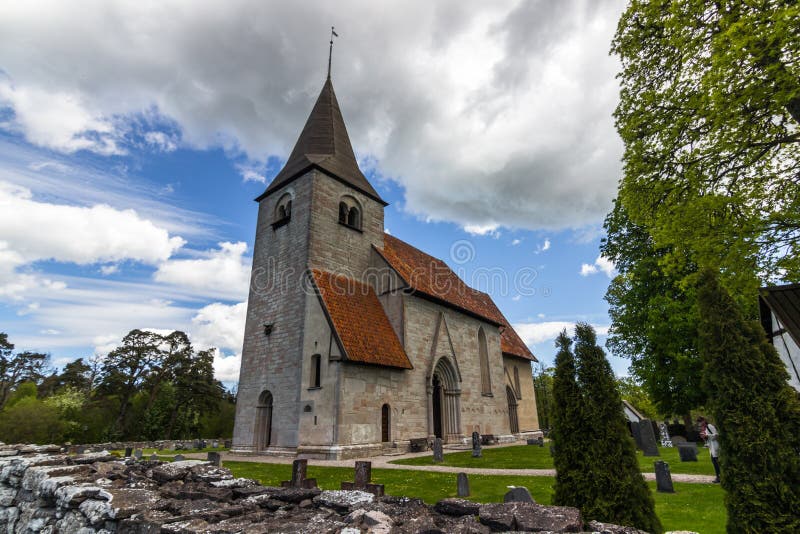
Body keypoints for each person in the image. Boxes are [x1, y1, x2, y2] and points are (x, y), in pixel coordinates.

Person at [697, 416, 720, 483]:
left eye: (701, 421)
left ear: (704, 420)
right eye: (699, 422)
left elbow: (716, 435)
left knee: (717, 463)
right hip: (711, 447)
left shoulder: (709, 426)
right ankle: (718, 477)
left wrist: (707, 436)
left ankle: (719, 477)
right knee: (715, 462)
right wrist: (704, 437)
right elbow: (708, 439)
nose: (700, 424)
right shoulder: (705, 428)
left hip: (715, 446)